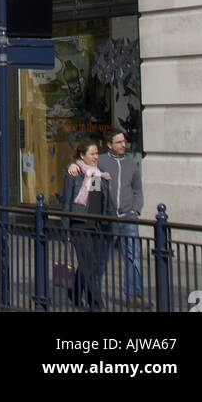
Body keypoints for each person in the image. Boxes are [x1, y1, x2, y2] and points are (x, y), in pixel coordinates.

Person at [68, 126, 144, 307]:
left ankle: (132, 294)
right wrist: (72, 165)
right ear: (109, 145)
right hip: (104, 219)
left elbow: (137, 189)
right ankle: (91, 294)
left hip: (127, 216)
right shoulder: (98, 162)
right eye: (119, 142)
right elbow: (83, 169)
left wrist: (135, 209)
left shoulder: (131, 163)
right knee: (98, 260)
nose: (123, 145)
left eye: (124, 141)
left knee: (133, 257)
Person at [61, 139, 111, 310]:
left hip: (95, 225)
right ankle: (96, 303)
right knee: (88, 264)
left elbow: (96, 202)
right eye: (92, 154)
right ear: (82, 155)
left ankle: (74, 293)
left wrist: (106, 222)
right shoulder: (73, 174)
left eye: (97, 153)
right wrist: (65, 229)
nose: (96, 157)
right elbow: (67, 202)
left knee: (91, 264)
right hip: (79, 224)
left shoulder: (96, 175)